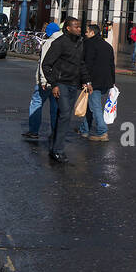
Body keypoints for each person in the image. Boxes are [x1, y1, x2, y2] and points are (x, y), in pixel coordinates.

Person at [41, 17, 92, 164]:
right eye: (76, 27)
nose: (79, 29)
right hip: (61, 84)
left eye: (79, 27)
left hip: (73, 84)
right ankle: (58, 150)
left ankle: (54, 145)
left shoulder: (79, 43)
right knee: (65, 116)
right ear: (68, 28)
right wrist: (54, 84)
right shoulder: (59, 43)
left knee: (62, 115)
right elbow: (46, 65)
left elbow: (81, 64)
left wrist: (86, 81)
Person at [21, 21, 61, 143]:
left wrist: (43, 81)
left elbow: (44, 64)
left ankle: (33, 131)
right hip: (59, 82)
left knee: (36, 103)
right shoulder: (65, 42)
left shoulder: (49, 43)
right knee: (55, 108)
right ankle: (55, 132)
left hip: (47, 82)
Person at [79, 22, 116, 142]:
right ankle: (84, 129)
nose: (85, 33)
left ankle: (102, 132)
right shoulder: (108, 46)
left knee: (95, 107)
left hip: (93, 81)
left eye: (87, 31)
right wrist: (112, 82)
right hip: (106, 81)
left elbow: (87, 64)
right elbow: (112, 65)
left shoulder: (89, 44)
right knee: (90, 105)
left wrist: (86, 80)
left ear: (92, 33)